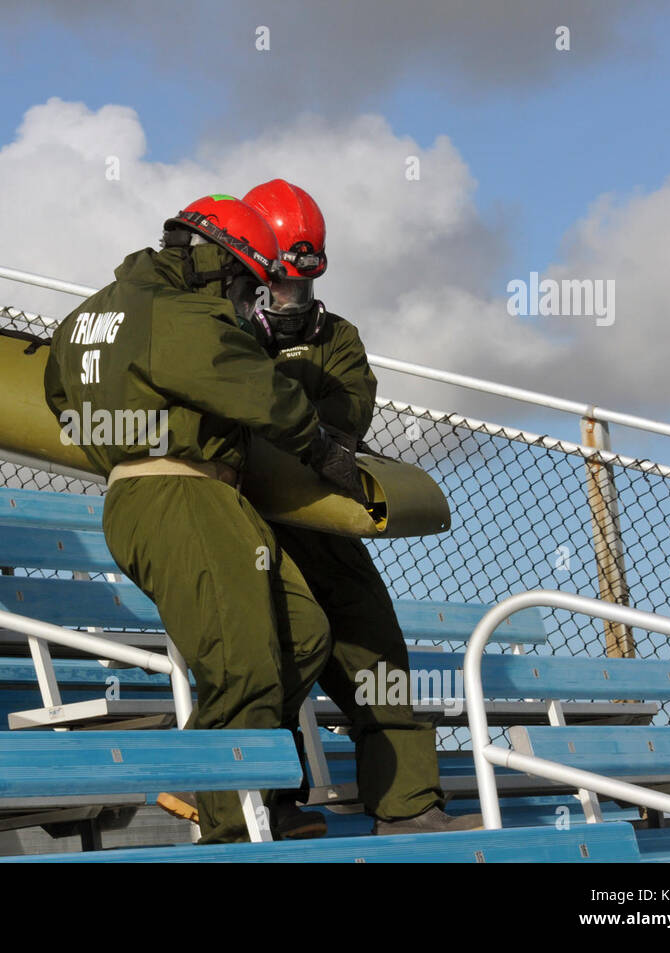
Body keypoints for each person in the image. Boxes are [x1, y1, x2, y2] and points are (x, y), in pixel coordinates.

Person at [44, 194, 366, 843]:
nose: (249, 302)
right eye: (247, 286)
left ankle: (199, 770)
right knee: (244, 666)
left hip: (167, 495)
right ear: (220, 262)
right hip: (182, 496)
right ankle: (234, 828)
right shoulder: (182, 314)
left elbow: (57, 391)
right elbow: (254, 387)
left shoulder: (89, 315)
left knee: (302, 635)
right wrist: (322, 447)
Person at [242, 178, 481, 834]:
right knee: (279, 653)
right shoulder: (219, 332)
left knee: (379, 655)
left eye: (304, 284)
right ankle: (268, 803)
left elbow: (344, 418)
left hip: (324, 518)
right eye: (282, 284)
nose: (295, 299)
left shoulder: (338, 337)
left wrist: (284, 409)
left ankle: (408, 805)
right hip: (249, 524)